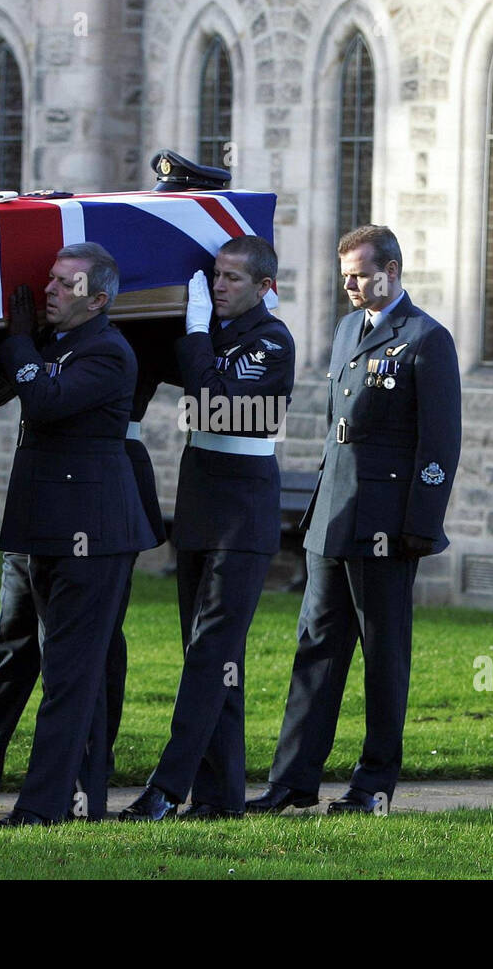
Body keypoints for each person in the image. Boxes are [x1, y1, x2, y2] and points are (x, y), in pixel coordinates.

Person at [248, 225, 460, 815]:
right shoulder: (347, 330)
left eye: (361, 273)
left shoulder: (425, 339)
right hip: (334, 516)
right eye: (345, 273)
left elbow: (440, 443)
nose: (351, 283)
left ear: (391, 271)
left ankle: (372, 785)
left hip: (387, 523)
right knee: (315, 644)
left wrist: (422, 521)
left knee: (383, 654)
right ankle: (292, 778)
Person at [120, 235, 294, 821]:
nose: (218, 286)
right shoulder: (215, 331)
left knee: (208, 653)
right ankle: (220, 796)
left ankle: (168, 788)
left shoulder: (272, 342)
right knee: (216, 659)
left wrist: (194, 333)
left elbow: (214, 399)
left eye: (233, 279)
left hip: (242, 517)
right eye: (215, 275)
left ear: (265, 287)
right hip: (199, 508)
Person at [0, 242, 157, 827]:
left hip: (94, 531)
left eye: (66, 284)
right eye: (50, 279)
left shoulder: (108, 351)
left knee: (69, 674)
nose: (51, 290)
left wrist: (16, 343)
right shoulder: (58, 342)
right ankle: (81, 793)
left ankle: (44, 804)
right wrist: (21, 341)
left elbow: (45, 397)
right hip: (47, 526)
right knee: (68, 668)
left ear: (100, 299)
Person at [0, 360, 162, 804]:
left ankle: (87, 777)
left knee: (94, 646)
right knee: (13, 637)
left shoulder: (123, 335)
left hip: (103, 489)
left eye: (67, 284)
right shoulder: (44, 335)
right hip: (40, 489)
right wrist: (24, 338)